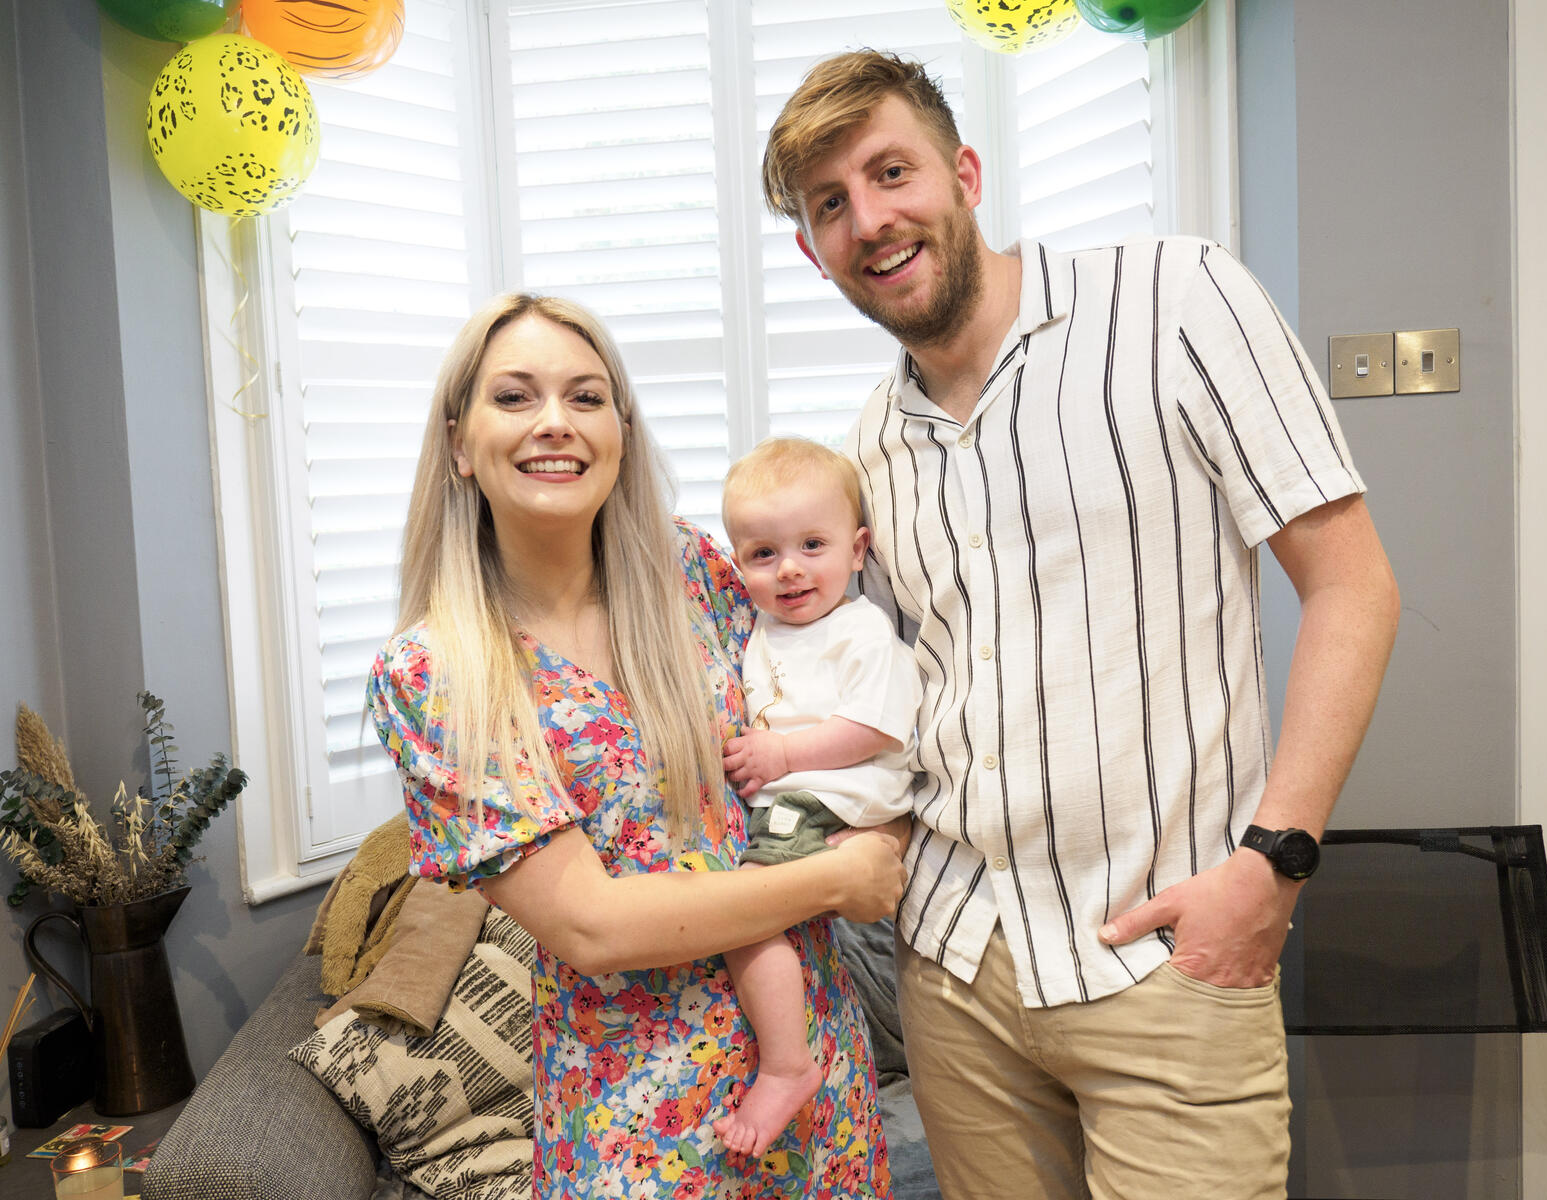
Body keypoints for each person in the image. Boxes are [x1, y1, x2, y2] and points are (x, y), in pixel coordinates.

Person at [761, 50, 1401, 1200]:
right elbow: (904, 697)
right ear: (813, 252)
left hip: (1165, 961)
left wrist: (1273, 867)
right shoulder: (867, 451)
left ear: (960, 172)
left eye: (889, 170)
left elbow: (1353, 584)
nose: (870, 218)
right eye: (830, 206)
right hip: (956, 975)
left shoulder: (1175, 299)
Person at [364, 293, 906, 1199]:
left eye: (585, 397)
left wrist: (879, 821)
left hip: (814, 1072)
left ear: (622, 428)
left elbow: (842, 705)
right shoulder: (436, 673)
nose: (554, 424)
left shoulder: (698, 573)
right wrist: (839, 877)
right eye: (514, 397)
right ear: (459, 442)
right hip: (638, 1124)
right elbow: (594, 927)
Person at [712, 437, 922, 1158]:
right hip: (795, 801)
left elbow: (871, 728)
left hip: (835, 798)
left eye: (811, 544)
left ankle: (786, 1063)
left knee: (740, 915)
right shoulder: (765, 632)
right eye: (763, 554)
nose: (791, 568)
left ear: (858, 549)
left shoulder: (862, 631)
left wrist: (780, 754)